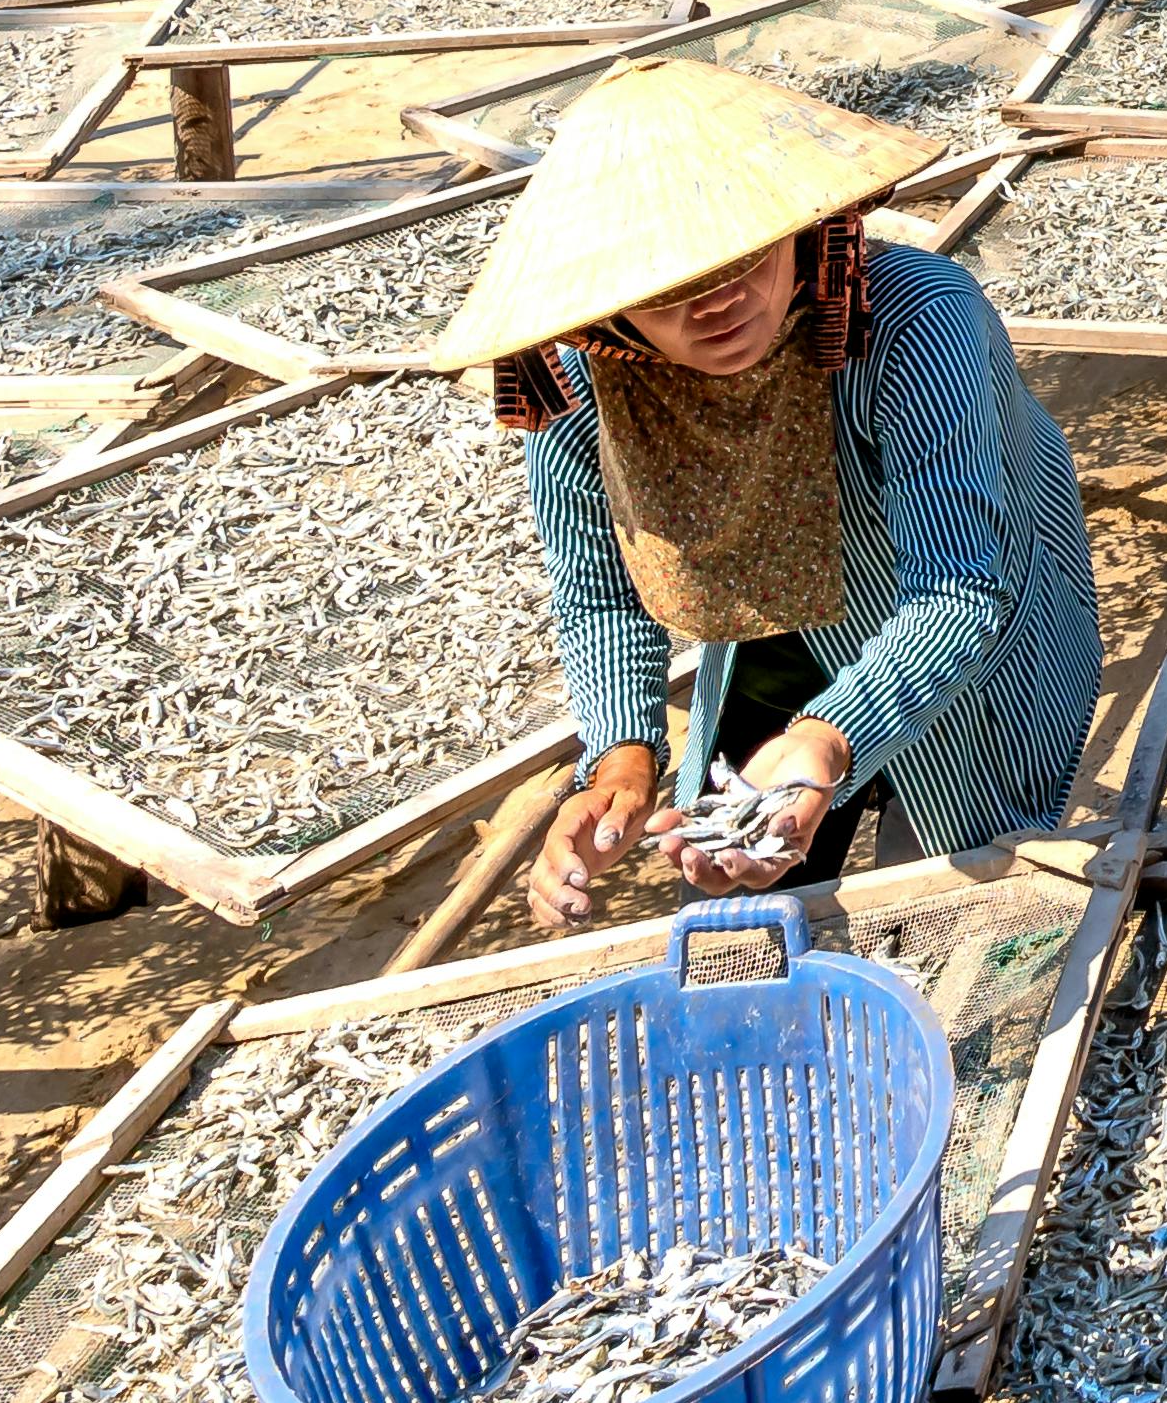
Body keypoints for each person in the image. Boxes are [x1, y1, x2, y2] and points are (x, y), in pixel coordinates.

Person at [453, 62, 1100, 933]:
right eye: (666, 289)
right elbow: (600, 591)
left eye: (744, 258)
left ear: (805, 227)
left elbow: (962, 585)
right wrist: (622, 762)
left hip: (966, 639)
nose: (719, 304)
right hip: (765, 645)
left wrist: (826, 742)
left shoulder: (908, 320)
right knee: (736, 904)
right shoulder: (583, 386)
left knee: (958, 901)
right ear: (604, 304)